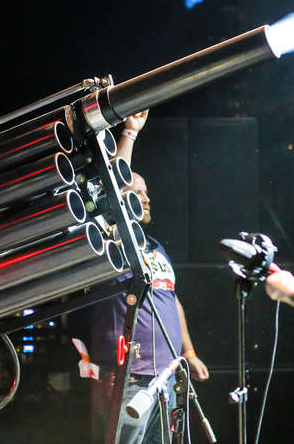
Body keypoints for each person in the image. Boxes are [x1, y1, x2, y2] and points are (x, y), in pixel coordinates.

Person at [88, 110, 210, 444]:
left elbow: (171, 300)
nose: (147, 198)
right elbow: (112, 189)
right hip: (128, 376)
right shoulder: (115, 242)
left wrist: (189, 353)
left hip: (166, 374)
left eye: (147, 193)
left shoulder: (156, 248)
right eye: (138, 192)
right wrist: (130, 133)